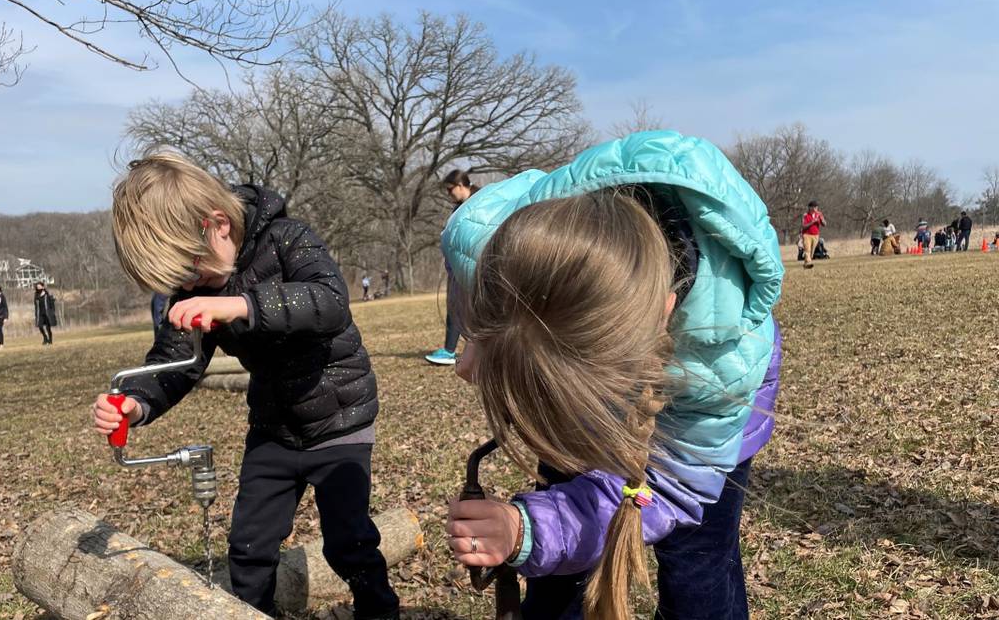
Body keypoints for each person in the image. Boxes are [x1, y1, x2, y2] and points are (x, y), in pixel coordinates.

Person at [441, 132, 782, 620]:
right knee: (559, 574)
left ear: (664, 314)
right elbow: (465, 243)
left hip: (699, 426)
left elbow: (668, 490)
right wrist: (485, 333)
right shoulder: (489, 235)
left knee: (698, 563)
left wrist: (524, 530)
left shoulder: (722, 365)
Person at [91, 152, 399, 618]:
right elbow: (178, 361)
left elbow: (329, 302)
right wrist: (137, 404)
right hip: (274, 428)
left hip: (340, 420)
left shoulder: (288, 239)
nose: (191, 286)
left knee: (347, 542)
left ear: (216, 223)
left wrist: (240, 305)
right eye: (179, 281)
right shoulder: (196, 289)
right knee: (249, 547)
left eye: (191, 270)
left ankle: (379, 612)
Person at [425, 169, 479, 366]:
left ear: (460, 185)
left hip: (474, 266)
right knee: (455, 307)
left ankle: (481, 349)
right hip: (458, 265)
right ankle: (449, 350)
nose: (449, 194)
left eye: (450, 190)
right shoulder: (458, 208)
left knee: (474, 308)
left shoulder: (480, 201)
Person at [800, 200, 825, 269]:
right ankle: (809, 263)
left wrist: (822, 220)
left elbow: (824, 224)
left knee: (811, 252)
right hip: (806, 235)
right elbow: (803, 226)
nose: (815, 209)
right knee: (807, 250)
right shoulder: (805, 215)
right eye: (813, 207)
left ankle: (806, 265)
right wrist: (812, 222)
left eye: (816, 207)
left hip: (815, 235)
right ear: (809, 208)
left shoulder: (819, 214)